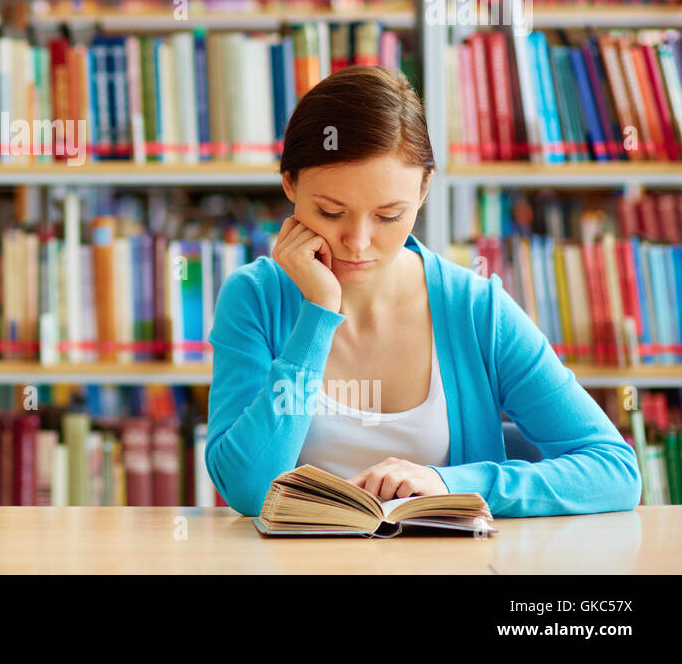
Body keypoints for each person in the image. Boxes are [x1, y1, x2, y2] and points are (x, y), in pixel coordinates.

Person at [204, 65, 641, 518]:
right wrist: (317, 315)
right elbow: (248, 488)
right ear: (290, 183)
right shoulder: (254, 298)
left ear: (425, 189)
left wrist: (450, 484)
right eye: (331, 212)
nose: (358, 241)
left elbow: (615, 471)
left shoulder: (475, 310)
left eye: (388, 215)